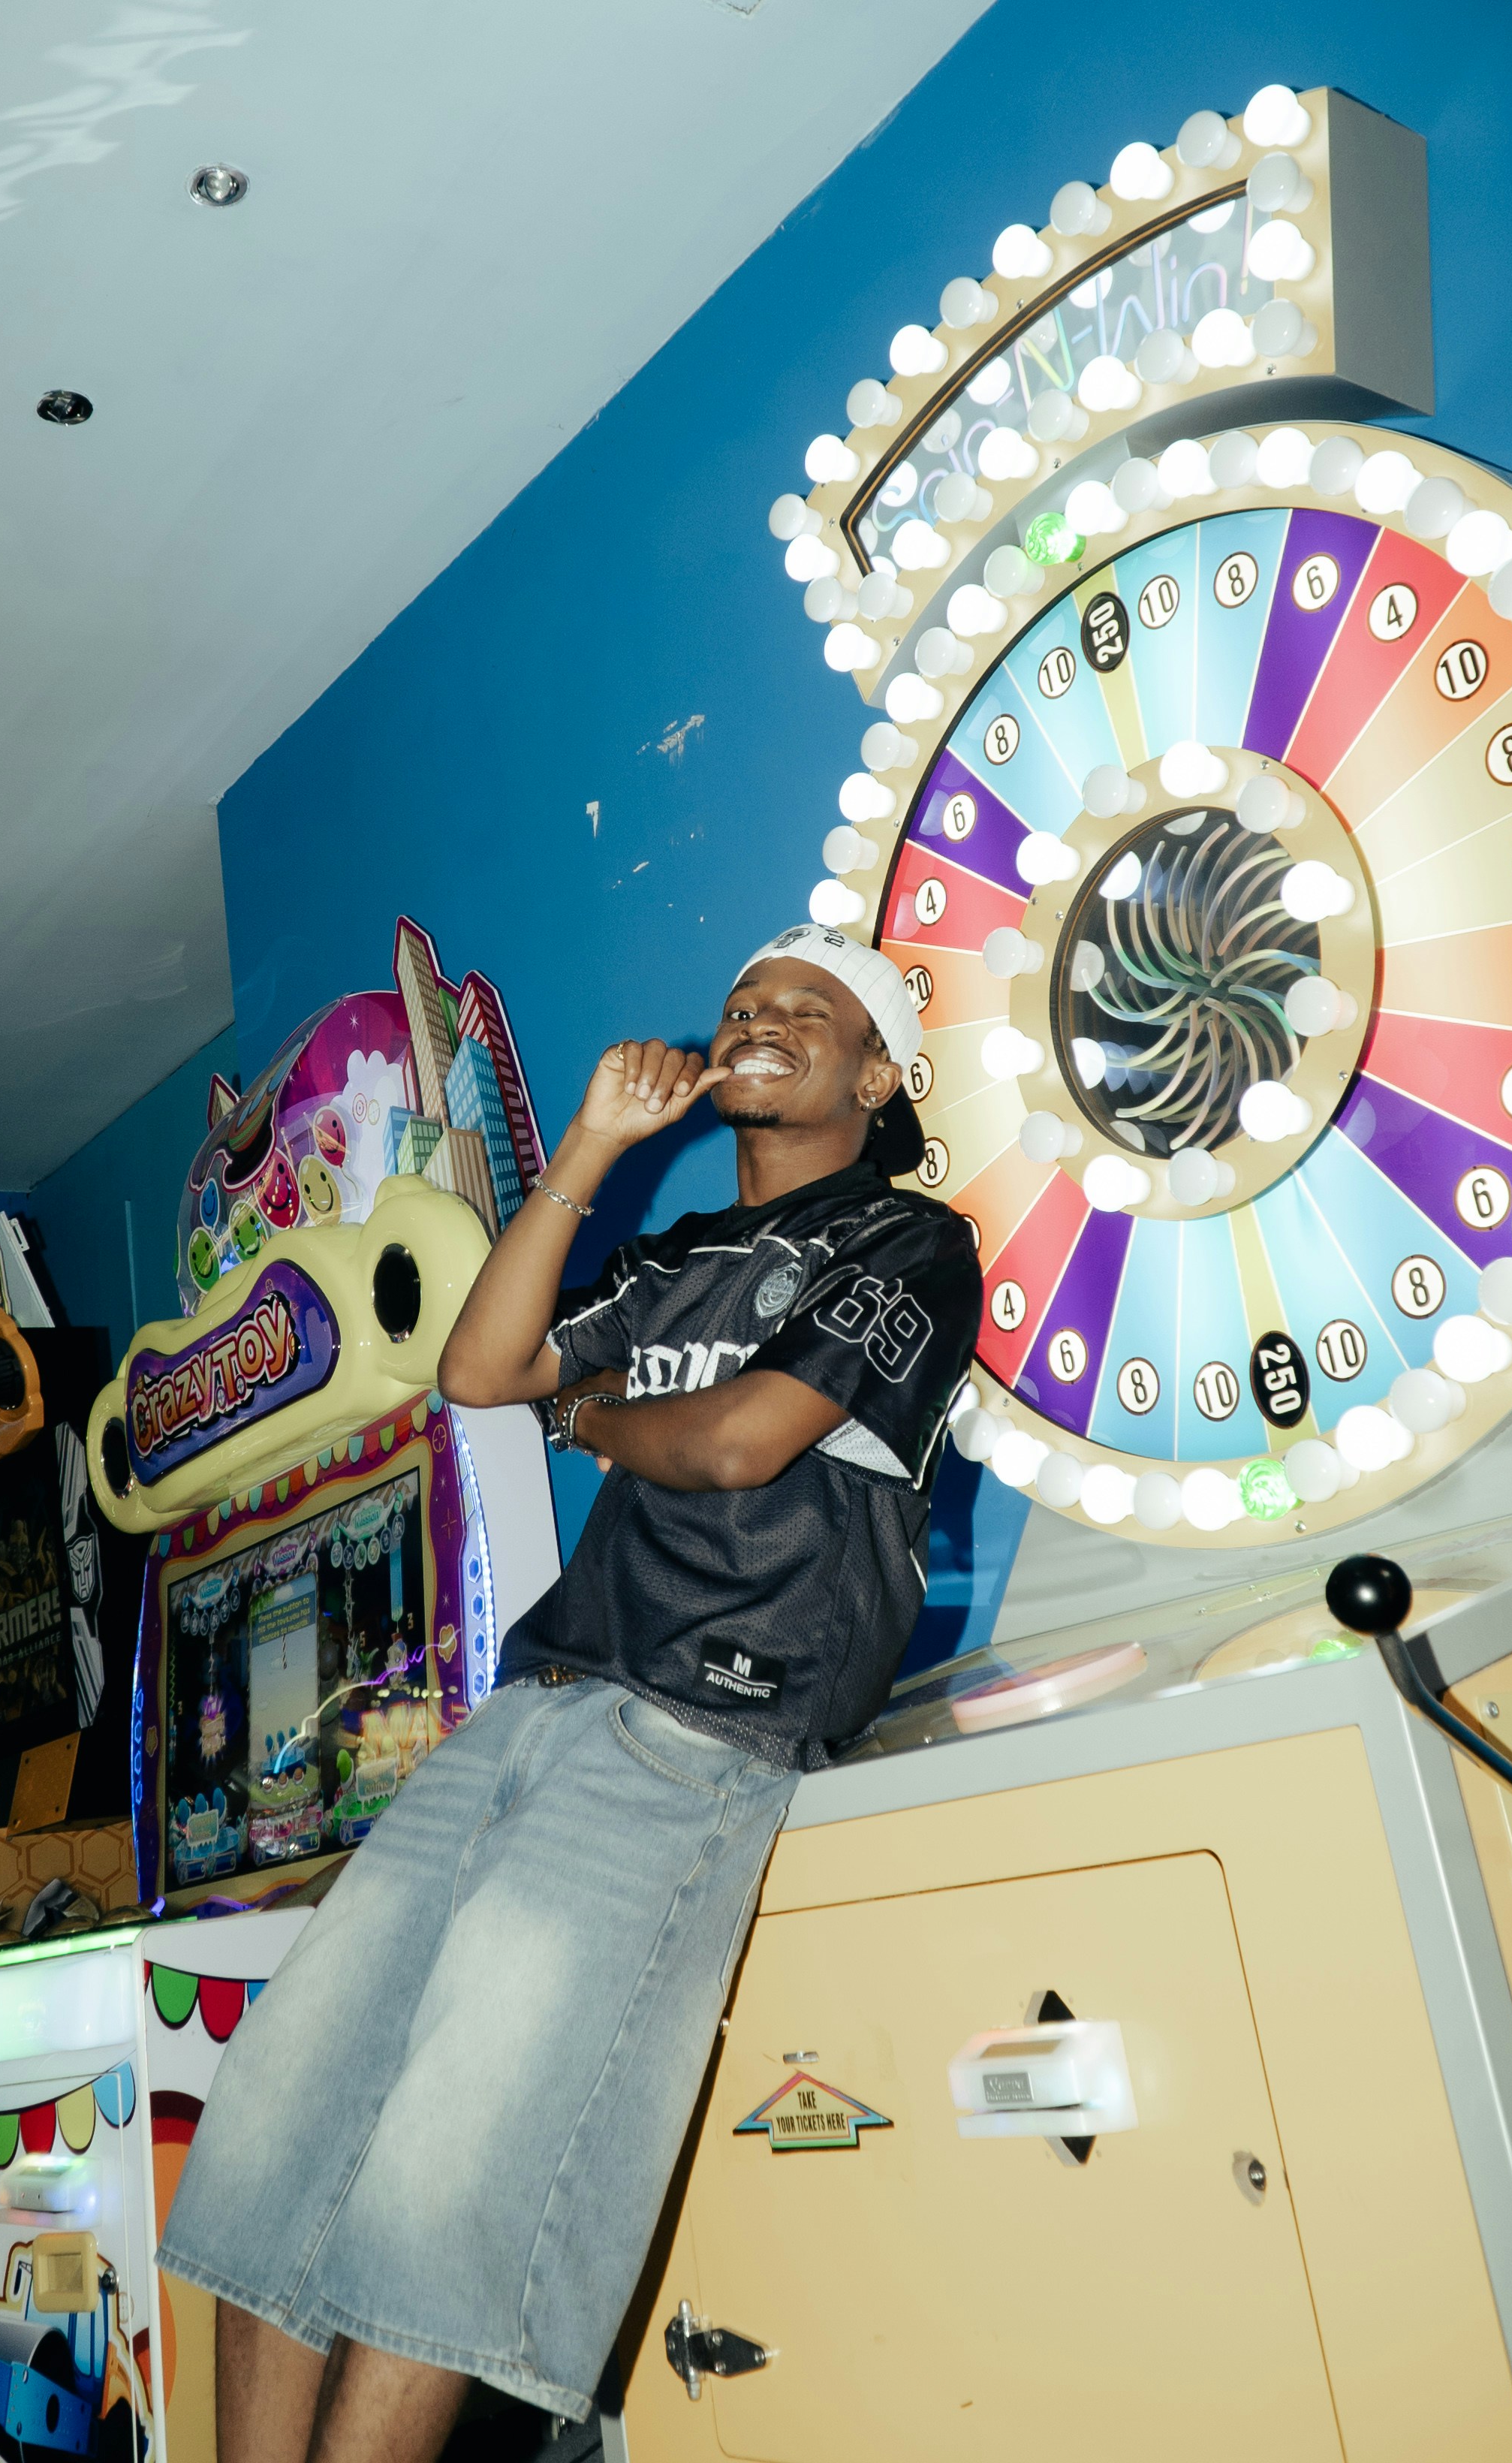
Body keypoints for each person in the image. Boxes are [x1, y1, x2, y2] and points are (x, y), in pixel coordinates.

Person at [158, 922, 980, 2463]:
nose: (760, 1018)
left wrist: (594, 1414)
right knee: (275, 2115)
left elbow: (742, 1439)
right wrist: (593, 1145)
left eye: (810, 1009)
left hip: (695, 1725)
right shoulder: (662, 1262)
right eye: (744, 999)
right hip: (533, 1703)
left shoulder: (904, 1243)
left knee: (447, 2171)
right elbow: (477, 1368)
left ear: (875, 1073)